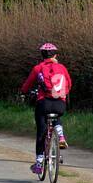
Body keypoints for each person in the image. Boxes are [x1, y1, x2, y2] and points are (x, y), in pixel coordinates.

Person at [19, 42, 71, 176]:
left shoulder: (38, 68)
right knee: (57, 117)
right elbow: (69, 84)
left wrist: (23, 92)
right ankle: (60, 135)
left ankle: (38, 164)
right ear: (56, 55)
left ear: (42, 55)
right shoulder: (62, 68)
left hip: (44, 103)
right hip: (60, 103)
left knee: (41, 132)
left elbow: (27, 84)